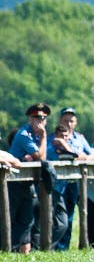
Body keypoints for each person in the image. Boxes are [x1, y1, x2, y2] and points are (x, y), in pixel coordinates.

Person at [49, 107, 94, 250]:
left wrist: (78, 154)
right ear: (60, 121)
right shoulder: (52, 138)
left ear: (76, 122)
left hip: (73, 182)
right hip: (57, 182)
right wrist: (77, 154)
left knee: (70, 216)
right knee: (56, 216)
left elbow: (92, 155)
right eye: (66, 120)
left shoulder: (80, 138)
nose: (69, 124)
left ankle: (63, 247)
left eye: (71, 121)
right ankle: (52, 247)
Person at [7, 103, 50, 253]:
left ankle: (23, 252)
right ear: (30, 119)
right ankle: (6, 249)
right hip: (14, 181)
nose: (40, 121)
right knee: (10, 216)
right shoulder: (24, 134)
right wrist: (44, 137)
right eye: (36, 117)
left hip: (27, 182)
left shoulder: (36, 137)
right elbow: (40, 156)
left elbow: (41, 157)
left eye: (43, 118)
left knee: (27, 219)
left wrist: (39, 149)